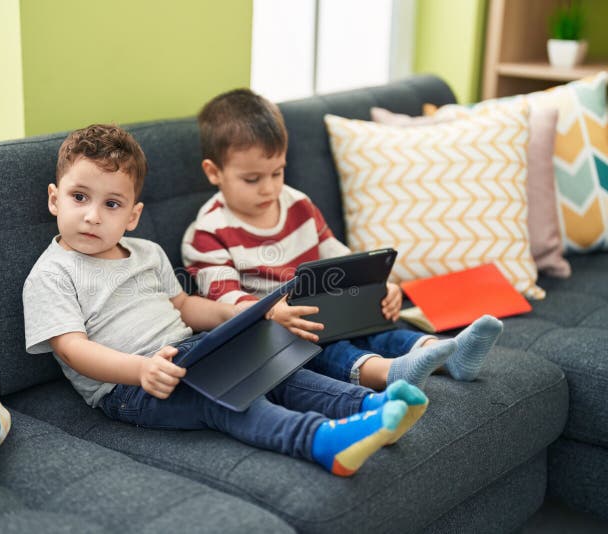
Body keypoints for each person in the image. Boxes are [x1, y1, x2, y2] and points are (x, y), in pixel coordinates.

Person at [23, 124, 430, 477]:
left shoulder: (146, 253)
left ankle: (371, 407)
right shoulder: (52, 274)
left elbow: (184, 306)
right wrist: (140, 370)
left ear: (132, 215)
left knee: (278, 368)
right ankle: (319, 441)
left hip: (192, 352)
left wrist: (240, 314)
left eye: (111, 204)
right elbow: (72, 349)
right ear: (55, 199)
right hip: (130, 387)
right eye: (80, 197)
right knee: (225, 400)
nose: (93, 215)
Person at [182, 89, 503, 390]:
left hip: (327, 309)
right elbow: (226, 301)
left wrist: (380, 288)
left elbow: (340, 259)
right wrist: (271, 313)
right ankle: (390, 373)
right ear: (214, 172)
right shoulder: (207, 233)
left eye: (277, 173)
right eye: (252, 179)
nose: (269, 188)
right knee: (324, 350)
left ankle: (448, 352)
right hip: (277, 332)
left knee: (380, 326)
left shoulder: (298, 205)